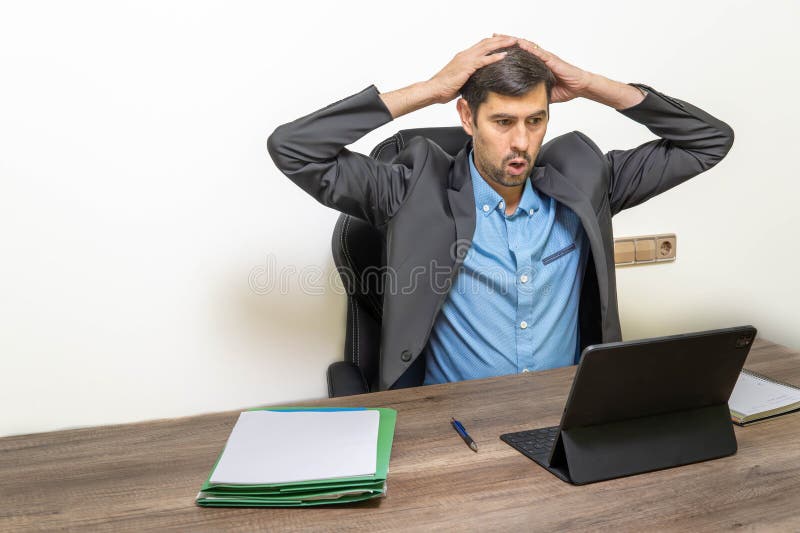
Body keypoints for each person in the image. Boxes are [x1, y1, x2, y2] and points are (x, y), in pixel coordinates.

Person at [268, 34, 734, 390]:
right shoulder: (411, 193)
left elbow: (709, 141)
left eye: (536, 121)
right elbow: (293, 149)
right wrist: (430, 89)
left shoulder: (587, 183)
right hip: (455, 428)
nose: (521, 143)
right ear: (468, 118)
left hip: (565, 415)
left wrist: (591, 85)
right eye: (503, 122)